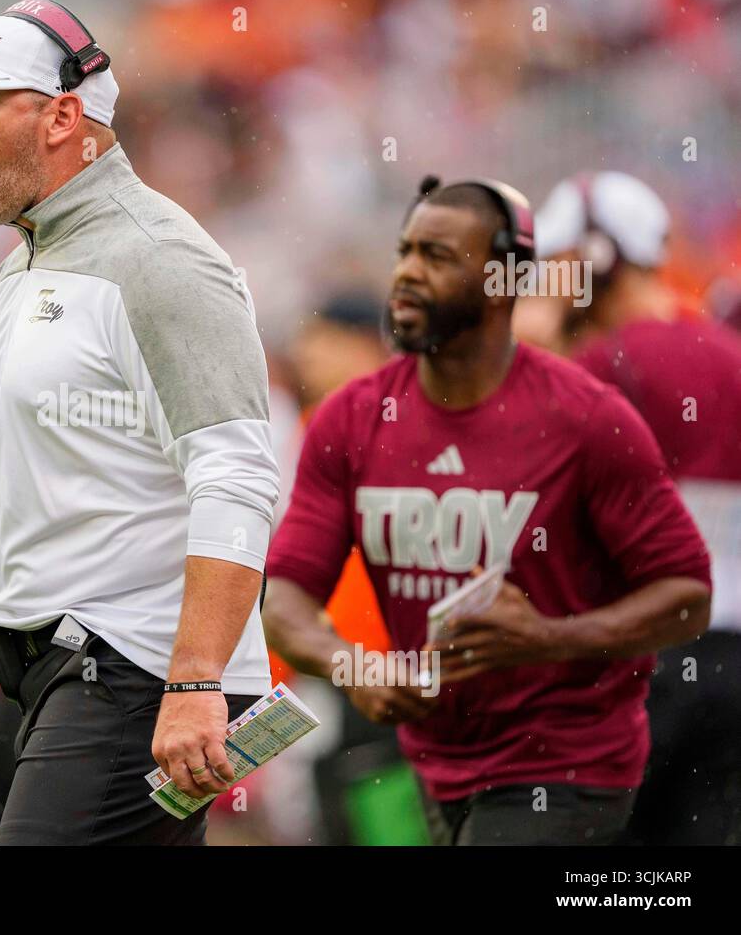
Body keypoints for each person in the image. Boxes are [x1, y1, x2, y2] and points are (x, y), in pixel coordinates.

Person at [0, 0, 280, 844]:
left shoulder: (159, 258)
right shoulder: (26, 264)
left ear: (64, 118)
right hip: (71, 675)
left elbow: (238, 475)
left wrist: (193, 682)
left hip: (132, 674)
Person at [262, 175, 713, 845]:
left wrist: (550, 638)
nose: (408, 273)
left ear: (504, 281)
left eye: (438, 257)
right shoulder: (352, 420)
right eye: (406, 251)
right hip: (433, 765)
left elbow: (687, 597)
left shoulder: (586, 419)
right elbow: (286, 601)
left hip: (564, 765)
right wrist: (356, 666)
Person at [535, 171, 741, 844]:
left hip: (635, 657)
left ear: (596, 256)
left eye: (560, 265)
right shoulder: (729, 354)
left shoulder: (600, 364)